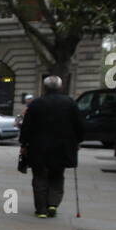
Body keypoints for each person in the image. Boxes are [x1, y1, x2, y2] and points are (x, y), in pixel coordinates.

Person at [18, 76, 84, 218]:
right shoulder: (70, 103)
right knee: (57, 175)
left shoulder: (36, 104)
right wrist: (78, 141)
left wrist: (24, 143)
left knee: (39, 176)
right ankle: (53, 203)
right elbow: (79, 125)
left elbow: (27, 126)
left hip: (39, 147)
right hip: (62, 147)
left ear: (44, 87)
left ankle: (41, 209)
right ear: (60, 87)